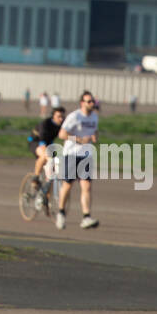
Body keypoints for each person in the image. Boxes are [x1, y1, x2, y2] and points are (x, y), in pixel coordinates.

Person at [55, 90, 99, 230]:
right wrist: (78, 139)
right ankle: (61, 213)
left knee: (86, 186)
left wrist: (94, 137)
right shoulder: (75, 116)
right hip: (72, 153)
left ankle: (86, 217)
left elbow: (94, 131)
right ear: (82, 103)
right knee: (68, 185)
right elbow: (62, 134)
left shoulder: (94, 117)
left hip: (86, 155)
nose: (92, 103)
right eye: (89, 101)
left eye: (93, 101)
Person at [29, 105, 66, 211]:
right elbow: (42, 142)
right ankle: (35, 177)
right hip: (36, 142)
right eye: (59, 116)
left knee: (52, 174)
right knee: (45, 155)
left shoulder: (63, 125)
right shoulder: (45, 124)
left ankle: (46, 198)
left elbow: (67, 138)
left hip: (49, 144)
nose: (61, 119)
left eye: (62, 117)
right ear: (53, 116)